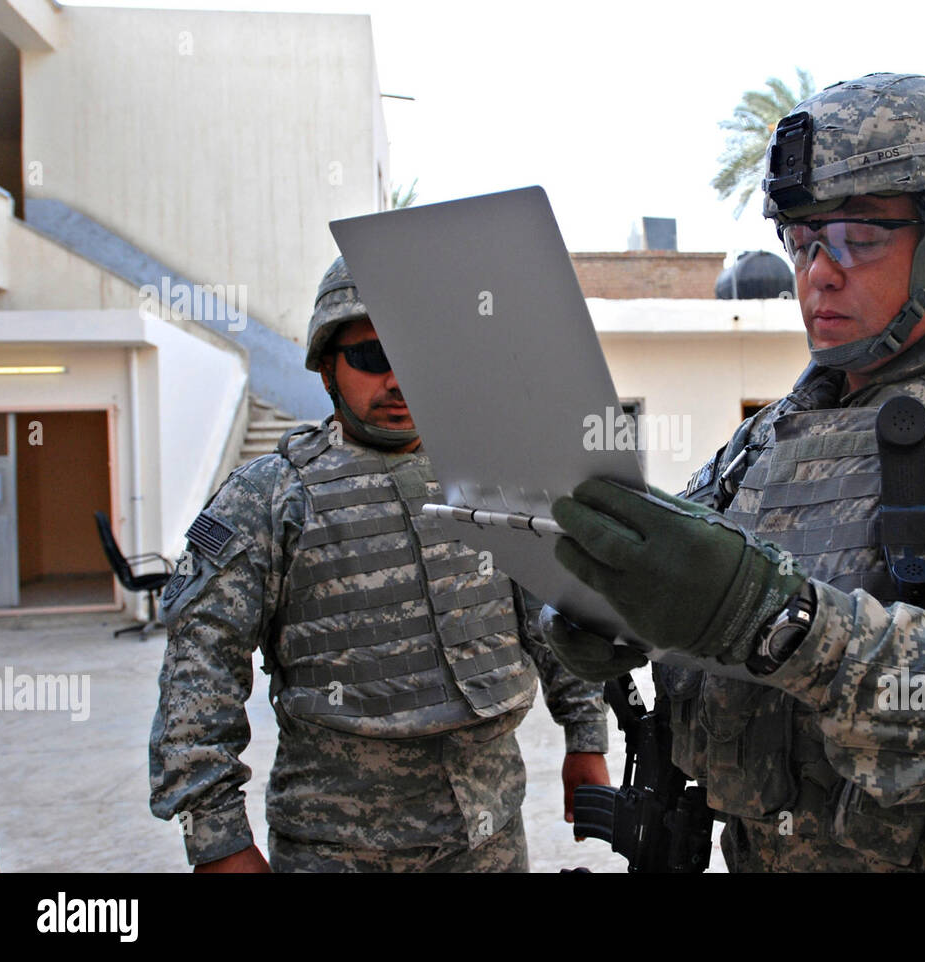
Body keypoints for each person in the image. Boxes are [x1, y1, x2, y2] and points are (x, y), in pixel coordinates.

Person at [542, 72, 925, 872]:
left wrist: (782, 626)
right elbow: (681, 575)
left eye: (855, 240)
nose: (819, 273)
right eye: (802, 242)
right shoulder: (770, 437)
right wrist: (609, 611)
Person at [149, 256, 609, 872]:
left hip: (489, 837)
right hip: (340, 851)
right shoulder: (270, 498)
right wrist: (217, 839)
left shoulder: (493, 482)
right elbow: (199, 674)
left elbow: (552, 619)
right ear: (327, 370)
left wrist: (586, 738)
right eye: (371, 358)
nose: (399, 382)